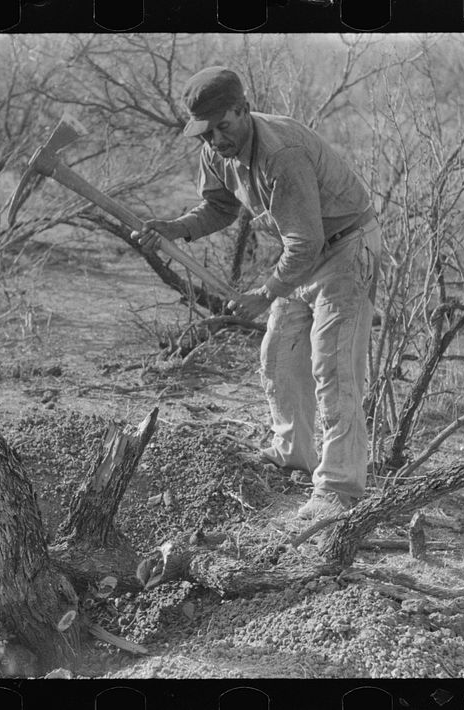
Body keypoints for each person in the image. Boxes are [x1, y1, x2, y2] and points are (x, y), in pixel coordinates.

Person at [132, 66, 382, 520]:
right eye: (204, 134)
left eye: (222, 128)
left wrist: (264, 293)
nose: (214, 142)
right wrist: (176, 228)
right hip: (304, 252)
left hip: (346, 248)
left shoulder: (281, 154)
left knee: (335, 368)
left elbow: (304, 242)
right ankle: (293, 454)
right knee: (279, 358)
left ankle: (339, 488)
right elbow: (219, 207)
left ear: (242, 110)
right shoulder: (217, 148)